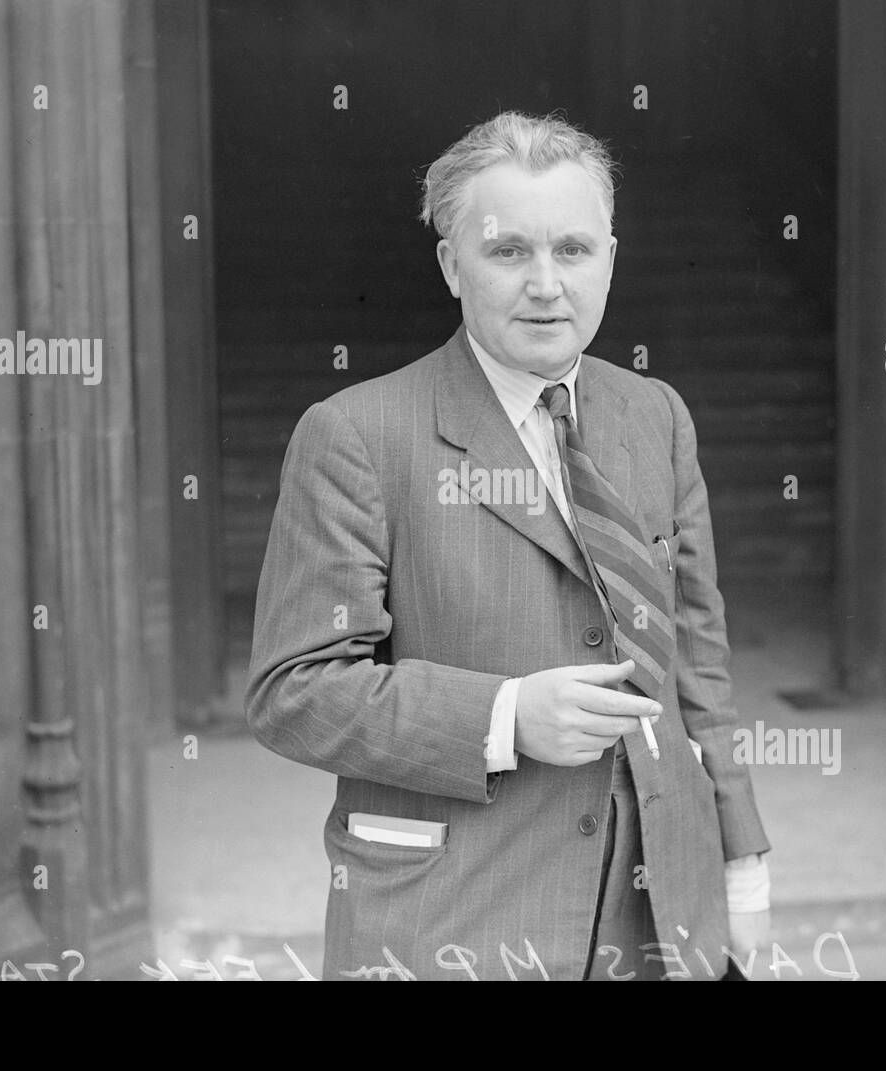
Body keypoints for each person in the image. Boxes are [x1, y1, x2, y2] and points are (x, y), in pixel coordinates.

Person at [246, 110, 771, 980]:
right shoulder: (358, 436)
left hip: (657, 914)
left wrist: (741, 871)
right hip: (452, 917)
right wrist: (506, 717)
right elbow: (291, 690)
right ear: (453, 265)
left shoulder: (656, 416)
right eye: (508, 251)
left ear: (610, 257)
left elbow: (697, 666)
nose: (545, 285)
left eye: (572, 250)